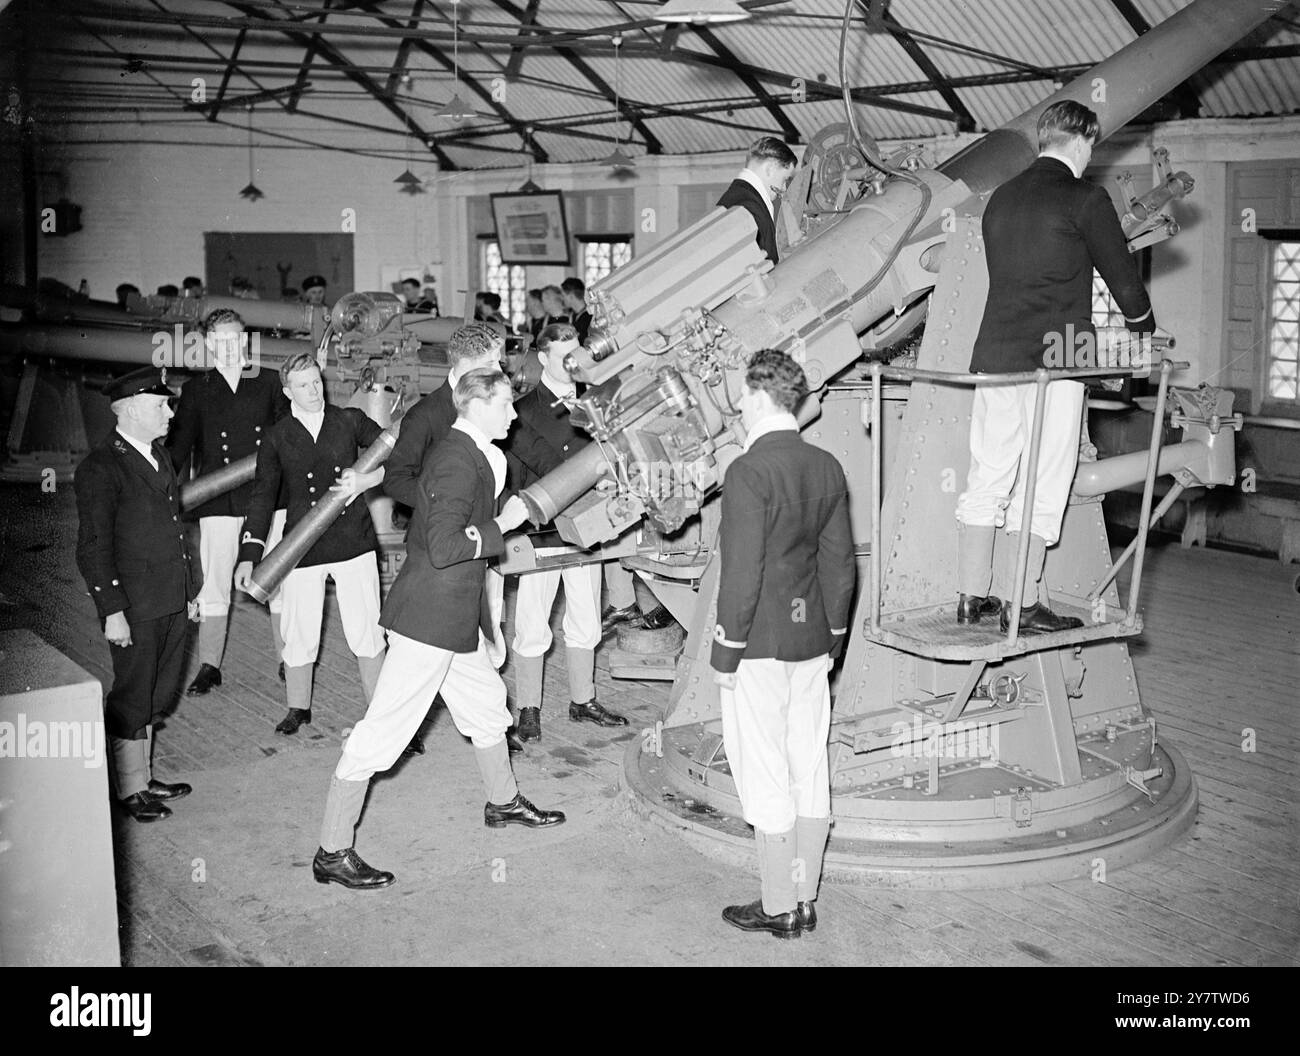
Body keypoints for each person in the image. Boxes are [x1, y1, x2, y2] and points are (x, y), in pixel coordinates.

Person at [313, 369, 565, 890]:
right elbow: (447, 544)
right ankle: (332, 850)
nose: (514, 414)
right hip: (430, 618)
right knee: (383, 731)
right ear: (475, 407)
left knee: (488, 706)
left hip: (453, 616)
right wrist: (506, 524)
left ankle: (502, 802)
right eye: (504, 406)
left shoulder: (473, 450)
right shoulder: (456, 460)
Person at [955, 100, 1158, 635]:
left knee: (989, 472)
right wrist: (1143, 328)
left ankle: (971, 597)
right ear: (1084, 142)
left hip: (995, 354)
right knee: (1043, 482)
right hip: (1059, 357)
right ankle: (1020, 604)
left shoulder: (1000, 198)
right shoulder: (1085, 197)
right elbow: (1123, 279)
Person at [710, 349, 854, 939]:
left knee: (764, 767)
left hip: (758, 644)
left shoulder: (748, 471)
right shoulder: (825, 464)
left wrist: (725, 652)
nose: (738, 405)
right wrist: (834, 637)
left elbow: (741, 573)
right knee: (808, 763)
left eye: (743, 395)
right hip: (811, 639)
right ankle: (805, 893)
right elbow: (840, 564)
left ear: (762, 395)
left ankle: (777, 906)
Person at [233, 352, 387, 735]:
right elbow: (263, 496)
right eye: (303, 385)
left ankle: (384, 716)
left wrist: (369, 480)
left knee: (367, 631)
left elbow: (397, 453)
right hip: (302, 545)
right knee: (298, 630)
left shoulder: (349, 420)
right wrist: (249, 554)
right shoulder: (277, 435)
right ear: (288, 392)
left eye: (316, 381)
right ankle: (298, 709)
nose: (313, 390)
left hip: (354, 541)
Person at [383, 322, 519, 755]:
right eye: (491, 364)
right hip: (442, 572)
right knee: (388, 720)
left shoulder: (488, 424)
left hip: (471, 561)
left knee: (486, 689)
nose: (500, 369)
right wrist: (440, 508)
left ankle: (503, 798)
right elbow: (401, 479)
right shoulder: (431, 418)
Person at [74, 367, 201, 823]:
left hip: (168, 596)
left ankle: (143, 779)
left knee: (158, 691)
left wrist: (190, 590)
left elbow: (173, 531)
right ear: (128, 410)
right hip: (134, 604)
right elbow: (92, 548)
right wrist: (112, 611)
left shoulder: (159, 456)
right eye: (160, 405)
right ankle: (128, 788)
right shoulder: (101, 467)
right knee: (132, 694)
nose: (169, 413)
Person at [506, 324, 628, 743]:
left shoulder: (597, 401)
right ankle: (528, 709)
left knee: (586, 620)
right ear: (542, 358)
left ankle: (583, 699)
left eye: (578, 355)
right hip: (542, 530)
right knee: (532, 624)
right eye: (564, 357)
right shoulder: (520, 411)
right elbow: (543, 467)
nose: (575, 364)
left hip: (590, 527)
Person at [166, 309, 290, 696]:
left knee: (277, 578)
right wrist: (158, 487)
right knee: (215, 580)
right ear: (207, 345)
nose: (230, 348)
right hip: (217, 497)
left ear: (245, 340)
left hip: (269, 496)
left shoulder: (270, 382)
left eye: (236, 339)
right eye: (220, 340)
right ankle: (209, 664)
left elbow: (289, 438)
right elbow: (180, 447)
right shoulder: (196, 389)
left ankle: (290, 657)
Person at [717, 136, 797, 265]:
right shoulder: (749, 207)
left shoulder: (739, 197)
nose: (783, 188)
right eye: (784, 179)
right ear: (769, 169)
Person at [560, 278, 592, 345]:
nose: (562, 299)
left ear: (571, 296)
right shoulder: (572, 315)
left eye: (563, 295)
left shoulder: (589, 316)